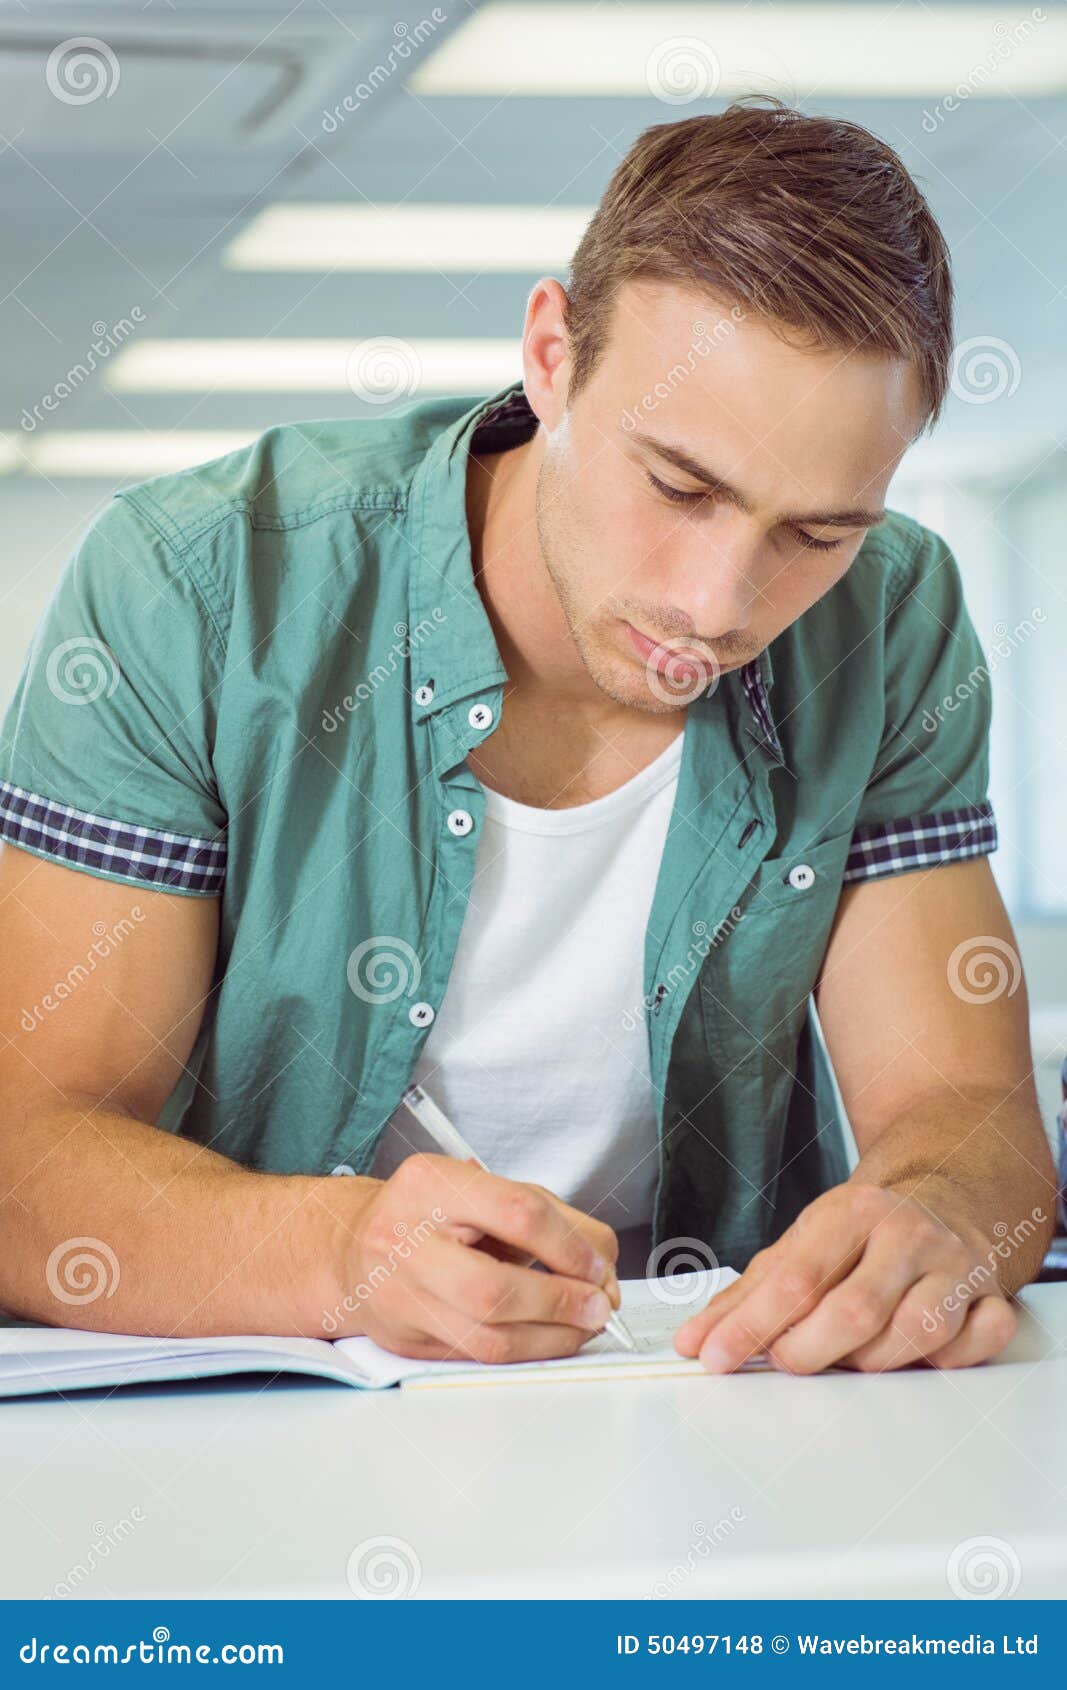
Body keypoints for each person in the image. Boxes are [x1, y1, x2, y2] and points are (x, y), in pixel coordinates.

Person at [0, 96, 1055, 1374]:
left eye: (815, 534)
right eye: (678, 486)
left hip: (693, 1403)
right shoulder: (194, 585)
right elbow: (27, 1153)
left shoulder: (892, 615)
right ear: (551, 356)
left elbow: (963, 1114)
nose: (717, 606)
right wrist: (339, 1255)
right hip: (273, 1393)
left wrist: (938, 1218)